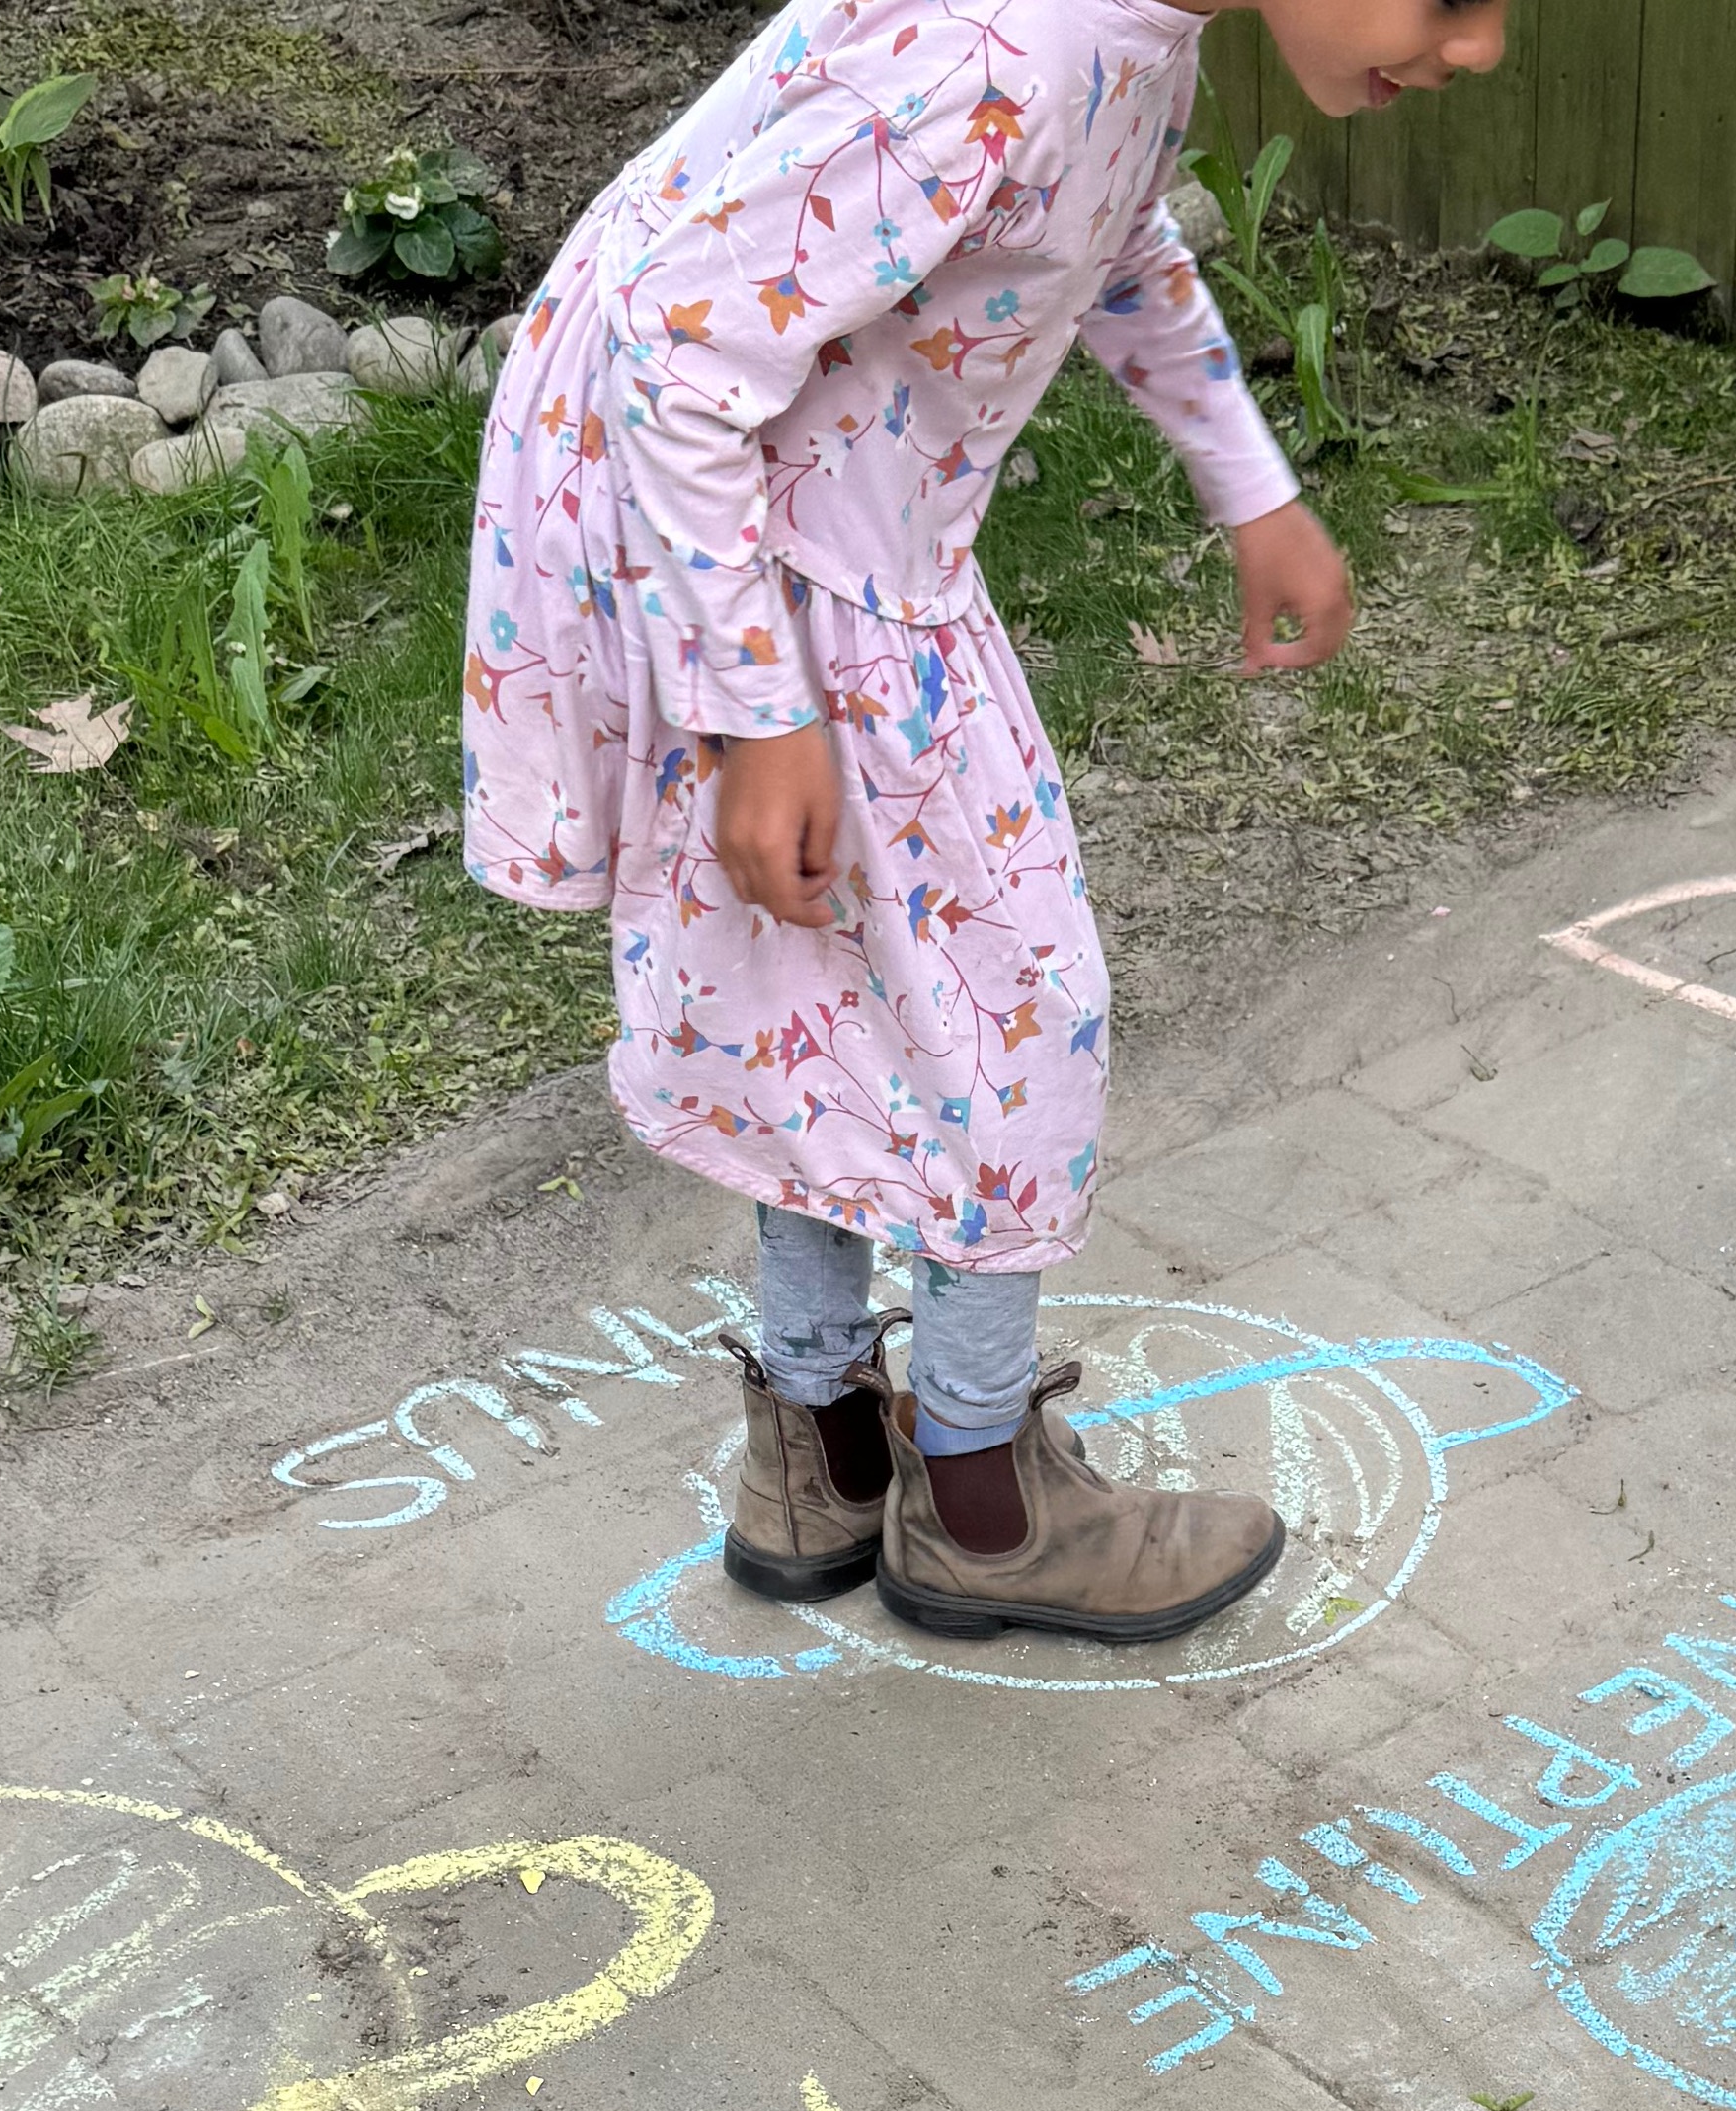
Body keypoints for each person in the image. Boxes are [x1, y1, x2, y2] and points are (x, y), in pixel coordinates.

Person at [463, 0, 1513, 1644]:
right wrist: (758, 710)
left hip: (763, 523)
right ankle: (981, 1503)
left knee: (802, 995)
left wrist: (1252, 484)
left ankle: (818, 1454)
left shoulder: (1121, 42)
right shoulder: (1002, 60)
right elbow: (679, 343)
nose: (1480, 47)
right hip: (763, 546)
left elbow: (1111, 233)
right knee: (1016, 1012)